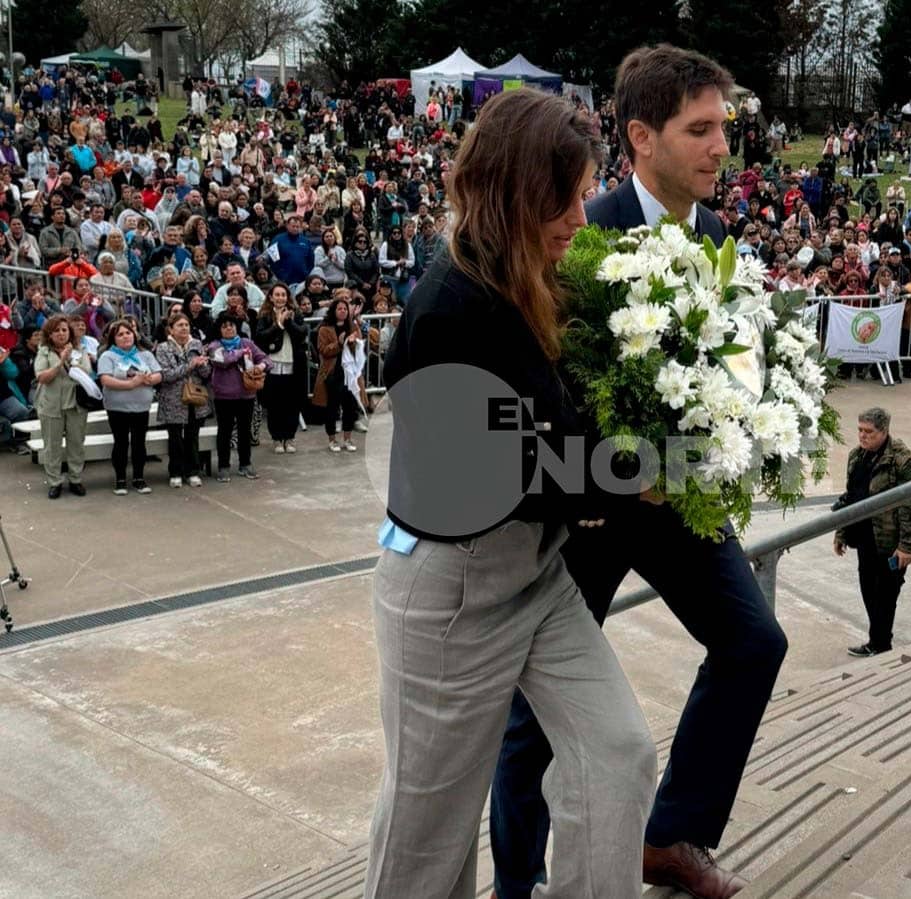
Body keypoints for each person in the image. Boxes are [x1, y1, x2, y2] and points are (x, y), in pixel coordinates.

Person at [491, 45, 786, 899]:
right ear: (641, 136)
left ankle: (672, 834)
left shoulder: (721, 236)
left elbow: (727, 361)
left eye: (724, 129)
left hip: (677, 495)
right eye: (700, 129)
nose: (720, 147)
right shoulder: (586, 226)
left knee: (754, 640)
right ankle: (516, 884)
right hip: (589, 502)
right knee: (534, 721)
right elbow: (548, 370)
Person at [368, 88, 656, 899]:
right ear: (512, 193)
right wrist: (642, 475)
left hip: (537, 576)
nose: (579, 213)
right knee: (429, 837)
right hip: (453, 590)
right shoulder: (452, 310)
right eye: (562, 196)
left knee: (618, 752)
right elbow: (516, 474)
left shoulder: (533, 276)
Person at [833, 408, 911, 657]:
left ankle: (881, 645)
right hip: (864, 538)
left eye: (869, 432)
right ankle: (878, 641)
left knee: (886, 594)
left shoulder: (902, 461)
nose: (863, 436)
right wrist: (841, 532)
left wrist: (907, 546)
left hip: (889, 541)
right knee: (868, 590)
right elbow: (850, 497)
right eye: (860, 430)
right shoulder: (856, 456)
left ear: (884, 431)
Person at [97, 320, 162, 495]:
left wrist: (150, 379)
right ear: (114, 339)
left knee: (139, 442)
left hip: (141, 406)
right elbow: (105, 379)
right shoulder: (108, 356)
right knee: (121, 442)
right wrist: (131, 384)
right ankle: (120, 479)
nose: (125, 336)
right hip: (117, 407)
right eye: (120, 334)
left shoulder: (145, 355)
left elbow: (158, 374)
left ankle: (139, 478)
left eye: (128, 333)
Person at [34, 314, 92, 498]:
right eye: (56, 330)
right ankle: (55, 482)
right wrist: (60, 362)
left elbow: (87, 371)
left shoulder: (80, 349)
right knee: (52, 446)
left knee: (76, 444)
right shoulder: (44, 351)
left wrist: (70, 360)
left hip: (75, 404)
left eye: (64, 330)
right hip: (51, 406)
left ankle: (75, 479)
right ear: (49, 335)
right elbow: (42, 377)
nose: (61, 334)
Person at [208, 313, 270, 481]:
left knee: (244, 431)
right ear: (219, 330)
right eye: (225, 325)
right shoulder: (214, 345)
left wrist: (261, 365)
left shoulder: (247, 342)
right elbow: (222, 360)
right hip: (223, 397)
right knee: (225, 432)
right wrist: (240, 353)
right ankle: (223, 466)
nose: (229, 328)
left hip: (246, 395)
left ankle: (245, 463)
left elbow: (265, 359)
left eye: (232, 325)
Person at [155, 312, 211, 488]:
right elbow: (167, 375)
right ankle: (175, 472)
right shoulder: (163, 348)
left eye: (186, 325)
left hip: (195, 397)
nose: (184, 328)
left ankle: (193, 471)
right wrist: (190, 365)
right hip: (173, 398)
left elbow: (206, 374)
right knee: (175, 438)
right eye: (179, 325)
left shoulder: (196, 344)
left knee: (192, 436)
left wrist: (202, 365)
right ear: (170, 329)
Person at [254, 283, 309, 454]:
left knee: (292, 403)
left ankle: (290, 437)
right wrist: (277, 325)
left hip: (293, 364)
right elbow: (260, 337)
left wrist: (288, 321)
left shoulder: (295, 313)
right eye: (277, 295)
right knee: (275, 403)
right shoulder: (264, 316)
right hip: (273, 364)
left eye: (283, 295)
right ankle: (277, 438)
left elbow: (302, 333)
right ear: (271, 297)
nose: (280, 298)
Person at [312, 292, 364, 452]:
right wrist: (339, 344)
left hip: (350, 373)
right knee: (332, 407)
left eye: (345, 309)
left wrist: (354, 343)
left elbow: (360, 347)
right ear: (333, 310)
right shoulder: (324, 329)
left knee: (350, 406)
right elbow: (324, 351)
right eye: (339, 308)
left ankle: (347, 439)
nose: (343, 311)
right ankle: (332, 439)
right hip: (332, 373)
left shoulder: (353, 327)